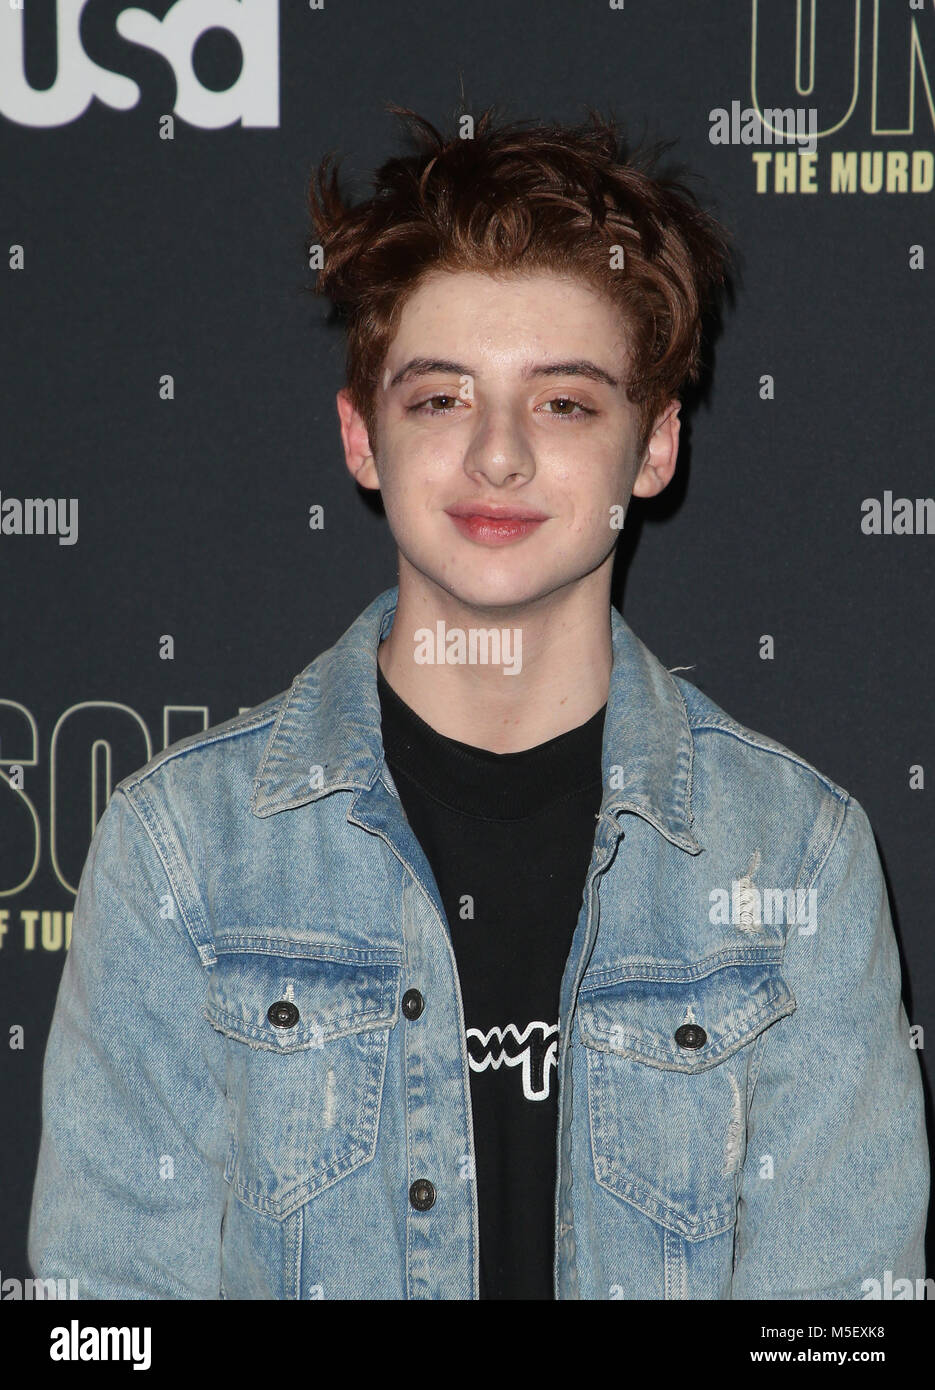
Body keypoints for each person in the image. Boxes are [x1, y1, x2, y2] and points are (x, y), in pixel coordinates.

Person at [29, 105, 928, 1300]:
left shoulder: (797, 861)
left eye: (563, 402)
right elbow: (105, 1319)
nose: (497, 454)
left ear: (653, 447)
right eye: (439, 398)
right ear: (361, 439)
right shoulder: (182, 854)